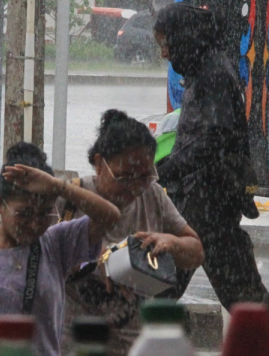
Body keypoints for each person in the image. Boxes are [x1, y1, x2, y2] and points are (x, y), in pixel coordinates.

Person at [0, 143, 121, 356]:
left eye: (44, 214)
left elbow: (110, 216)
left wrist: (58, 186)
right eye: (24, 214)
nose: (35, 224)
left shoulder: (55, 244)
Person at [58, 109, 204, 356]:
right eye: (124, 177)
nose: (135, 188)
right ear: (98, 163)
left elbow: (196, 251)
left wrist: (171, 242)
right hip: (74, 344)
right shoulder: (71, 200)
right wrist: (92, 261)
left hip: (135, 346)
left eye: (145, 177)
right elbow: (39, 258)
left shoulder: (153, 196)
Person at [153, 2, 269, 309]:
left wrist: (168, 169)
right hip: (200, 201)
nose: (164, 53)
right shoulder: (203, 69)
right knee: (164, 283)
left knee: (163, 282)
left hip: (209, 201)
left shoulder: (213, 74)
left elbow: (213, 137)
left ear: (182, 37)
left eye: (165, 43)